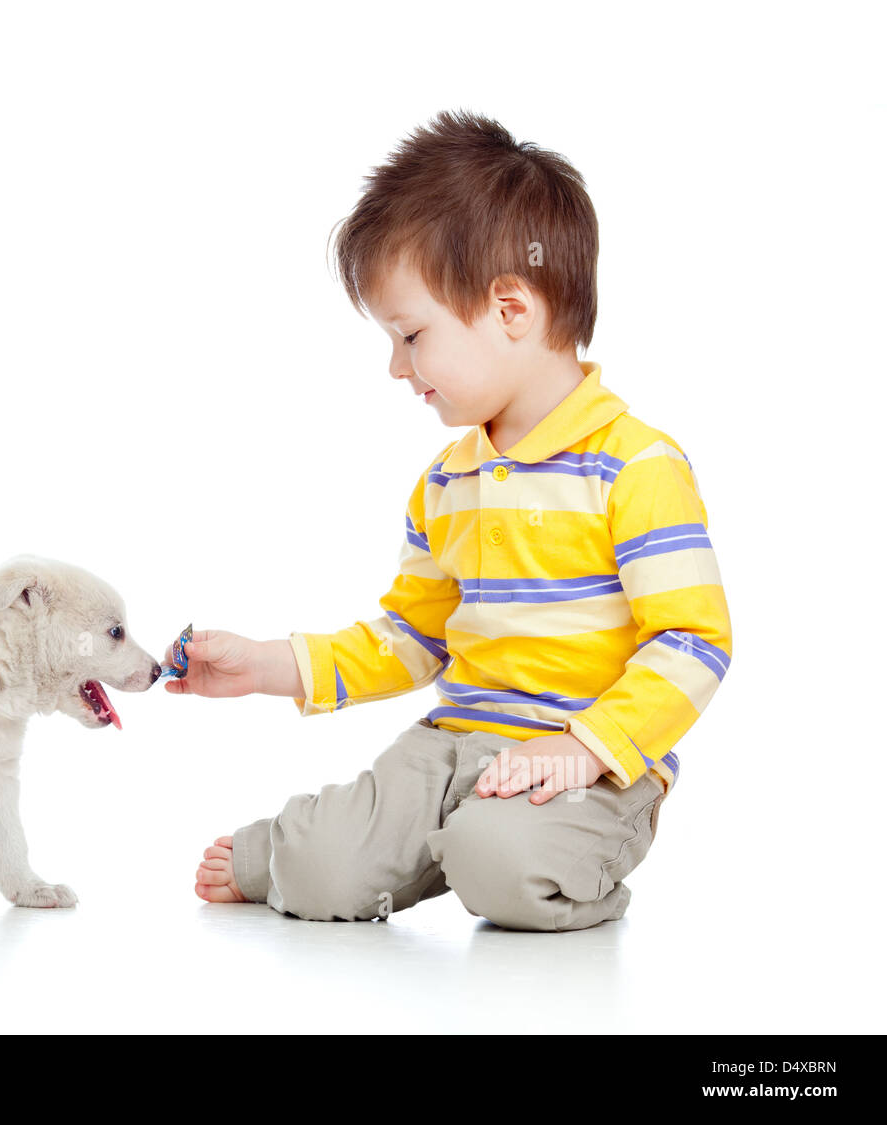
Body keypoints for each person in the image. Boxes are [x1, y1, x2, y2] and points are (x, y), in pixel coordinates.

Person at [163, 110, 732, 931]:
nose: (396, 367)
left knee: (501, 863)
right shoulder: (447, 481)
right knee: (325, 871)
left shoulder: (637, 467)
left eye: (411, 334)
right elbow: (410, 638)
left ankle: (541, 862)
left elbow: (694, 639)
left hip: (592, 762)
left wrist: (587, 744)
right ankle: (306, 849)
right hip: (450, 748)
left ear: (511, 309)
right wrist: (268, 664)